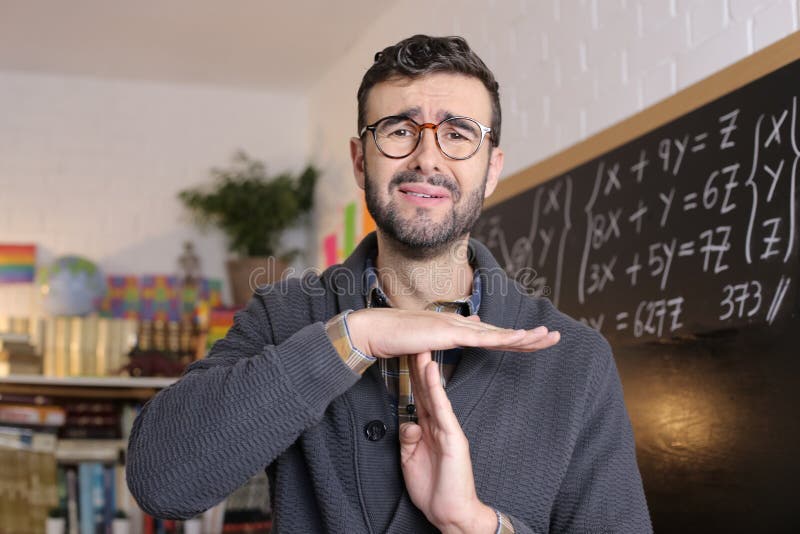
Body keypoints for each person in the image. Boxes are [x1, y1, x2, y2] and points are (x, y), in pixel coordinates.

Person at [127, 35, 651, 533]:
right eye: (400, 131)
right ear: (361, 160)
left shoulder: (575, 361)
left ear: (492, 170)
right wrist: (354, 338)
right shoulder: (284, 316)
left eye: (458, 134)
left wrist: (473, 523)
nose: (427, 157)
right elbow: (161, 481)